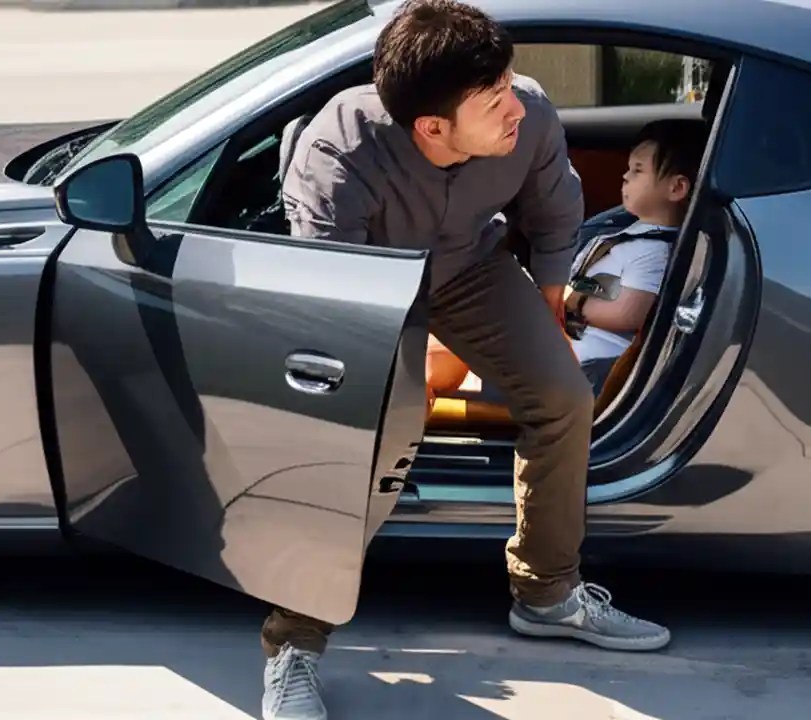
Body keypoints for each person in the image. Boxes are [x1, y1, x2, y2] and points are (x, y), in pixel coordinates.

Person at [262, 2, 671, 718]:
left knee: (561, 394)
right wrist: (397, 386)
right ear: (432, 128)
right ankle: (293, 643)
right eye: (493, 101)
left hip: (472, 268)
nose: (515, 107)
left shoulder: (531, 115)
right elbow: (337, 297)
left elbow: (552, 217)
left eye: (510, 85)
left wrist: (544, 320)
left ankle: (546, 592)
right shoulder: (337, 152)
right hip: (373, 287)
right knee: (369, 435)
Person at [427, 118, 707, 401]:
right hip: (566, 353)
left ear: (676, 189)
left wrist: (573, 302)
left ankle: (433, 385)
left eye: (637, 171)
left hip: (586, 366)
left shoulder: (656, 251)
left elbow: (632, 313)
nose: (625, 177)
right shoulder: (623, 231)